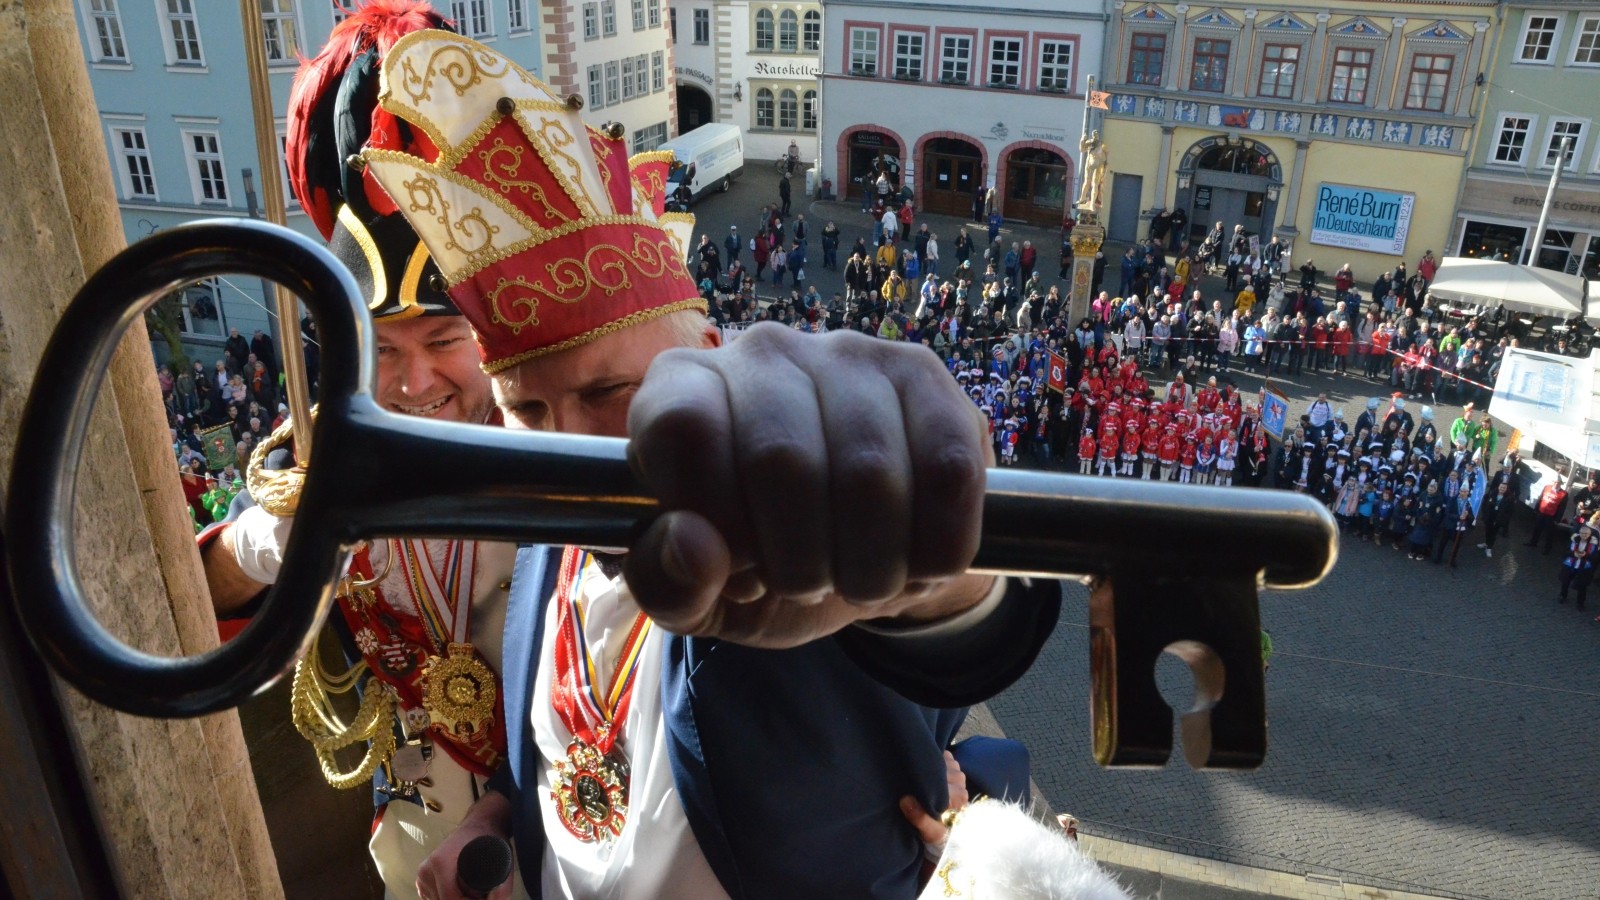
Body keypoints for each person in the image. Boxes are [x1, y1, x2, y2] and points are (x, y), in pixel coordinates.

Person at [360, 33, 1058, 899]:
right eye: (528, 409)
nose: (567, 442)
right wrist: (496, 813)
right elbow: (551, 739)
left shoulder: (764, 523)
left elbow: (956, 624)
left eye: (608, 389)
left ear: (712, 360)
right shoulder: (539, 530)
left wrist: (939, 562)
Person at [199, 8, 524, 899]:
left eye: (445, 340)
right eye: (382, 348)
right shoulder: (316, 462)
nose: (413, 381)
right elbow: (203, 600)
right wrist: (263, 545)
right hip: (416, 832)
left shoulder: (560, 439)